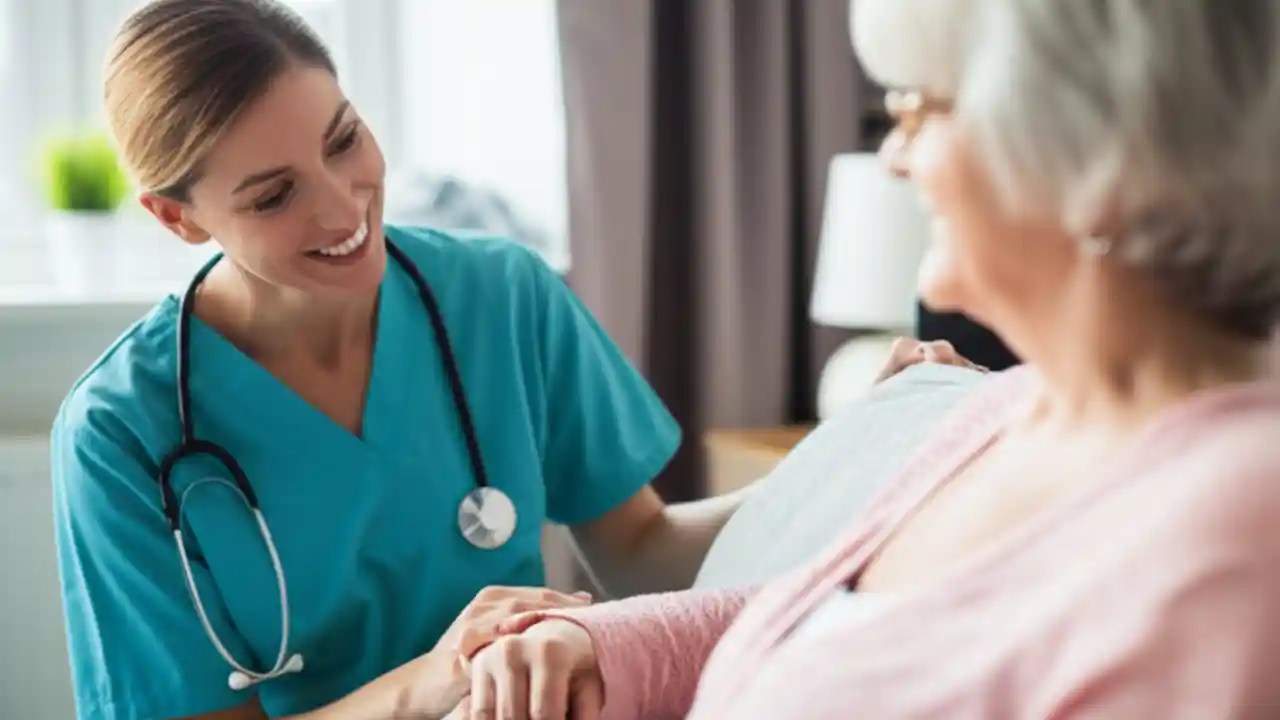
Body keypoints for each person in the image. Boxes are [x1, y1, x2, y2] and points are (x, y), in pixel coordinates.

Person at [456, 0, 1280, 717]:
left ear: (1085, 150)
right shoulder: (1007, 409)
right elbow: (850, 618)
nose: (895, 156)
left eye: (922, 110)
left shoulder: (1237, 526)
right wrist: (604, 645)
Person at [46, 1, 815, 717]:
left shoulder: (501, 295)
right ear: (176, 217)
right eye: (274, 196)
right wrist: (430, 680)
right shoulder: (121, 432)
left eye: (343, 141)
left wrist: (851, 452)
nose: (343, 208)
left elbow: (644, 556)